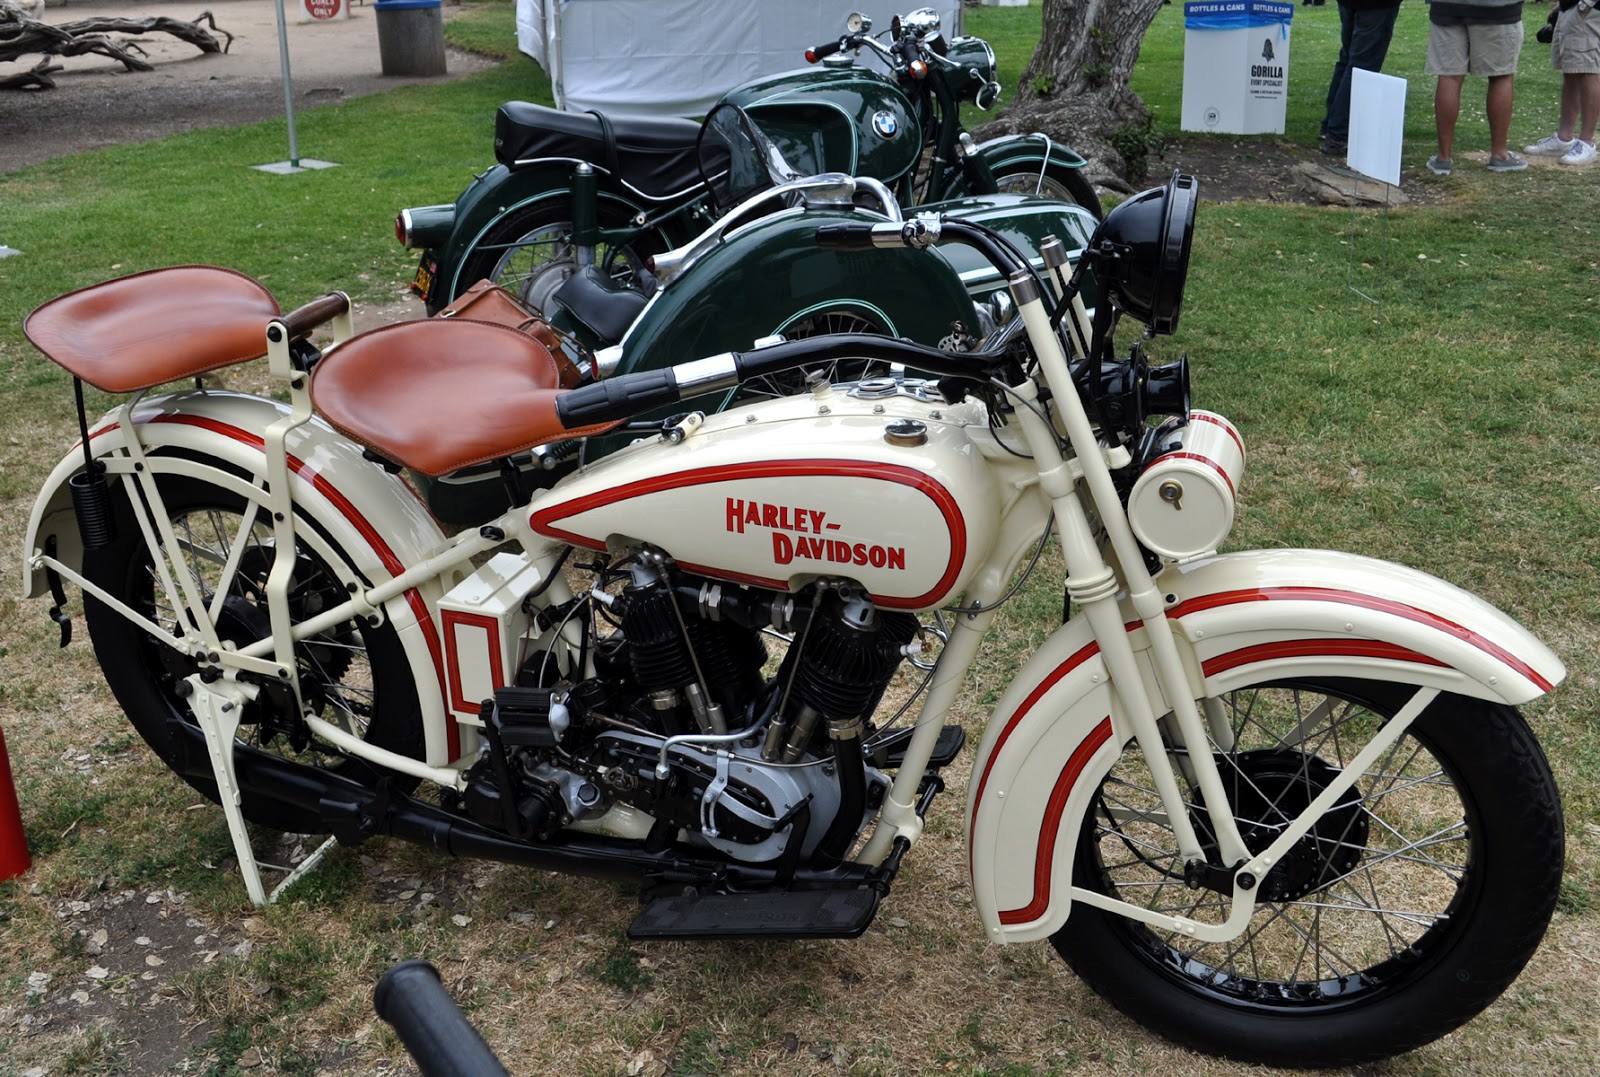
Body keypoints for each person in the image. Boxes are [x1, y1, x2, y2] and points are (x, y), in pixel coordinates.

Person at [1425, 0, 1528, 174]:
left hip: (1447, 6)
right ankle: (1500, 154)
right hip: (1497, 9)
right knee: (1500, 75)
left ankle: (1443, 157)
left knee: (1449, 76)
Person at [1320, 1, 1405, 156]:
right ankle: (1338, 133)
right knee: (1361, 66)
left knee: (1348, 60)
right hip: (1376, 7)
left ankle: (1331, 125)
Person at [1523, 0, 1600, 164]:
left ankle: (1586, 143)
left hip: (1586, 10)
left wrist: (1586, 4)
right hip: (1571, 9)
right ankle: (1563, 139)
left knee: (1588, 71)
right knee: (1571, 71)